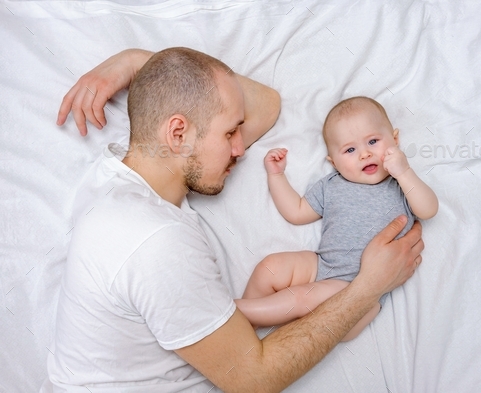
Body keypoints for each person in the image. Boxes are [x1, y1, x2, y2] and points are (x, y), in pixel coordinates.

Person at [45, 47, 424, 393]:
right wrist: (368, 287)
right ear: (178, 133)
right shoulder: (152, 240)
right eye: (230, 133)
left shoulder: (119, 177)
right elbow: (254, 380)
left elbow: (265, 104)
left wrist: (134, 63)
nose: (241, 148)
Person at [235, 97, 438, 340]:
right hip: (323, 265)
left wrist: (404, 172)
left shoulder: (400, 185)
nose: (364, 154)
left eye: (373, 141)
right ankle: (242, 331)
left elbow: (428, 210)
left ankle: (232, 314)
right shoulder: (332, 185)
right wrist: (276, 176)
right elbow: (297, 211)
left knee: (302, 297)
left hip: (356, 294)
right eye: (350, 150)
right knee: (270, 267)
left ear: (395, 140)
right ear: (334, 162)